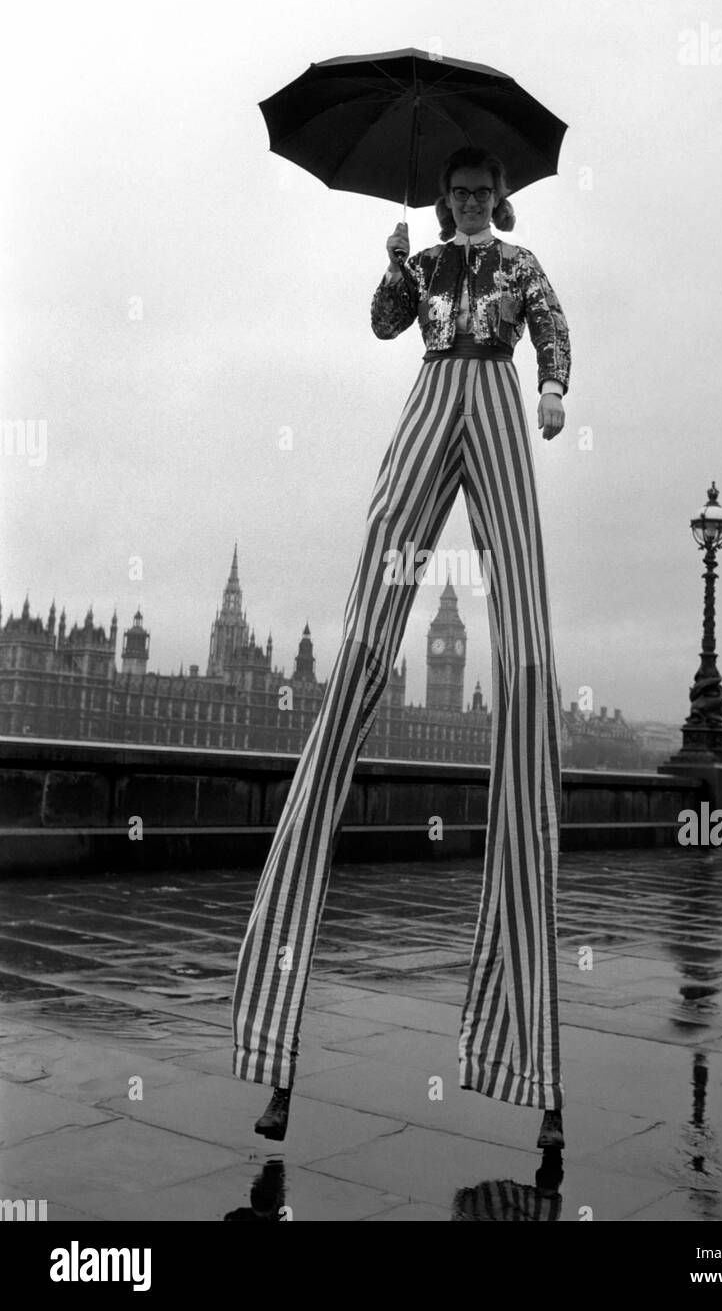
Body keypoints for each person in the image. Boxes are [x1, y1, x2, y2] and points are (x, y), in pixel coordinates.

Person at [231, 145, 571, 1151]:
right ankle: (272, 1048)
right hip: (430, 400)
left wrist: (553, 386)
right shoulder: (421, 270)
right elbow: (384, 325)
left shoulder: (516, 266)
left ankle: (527, 1058)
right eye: (453, 192)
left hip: (497, 401)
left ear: (495, 199)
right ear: (439, 199)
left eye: (476, 191)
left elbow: (550, 323)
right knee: (363, 642)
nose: (464, 200)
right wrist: (387, 263)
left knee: (525, 661)